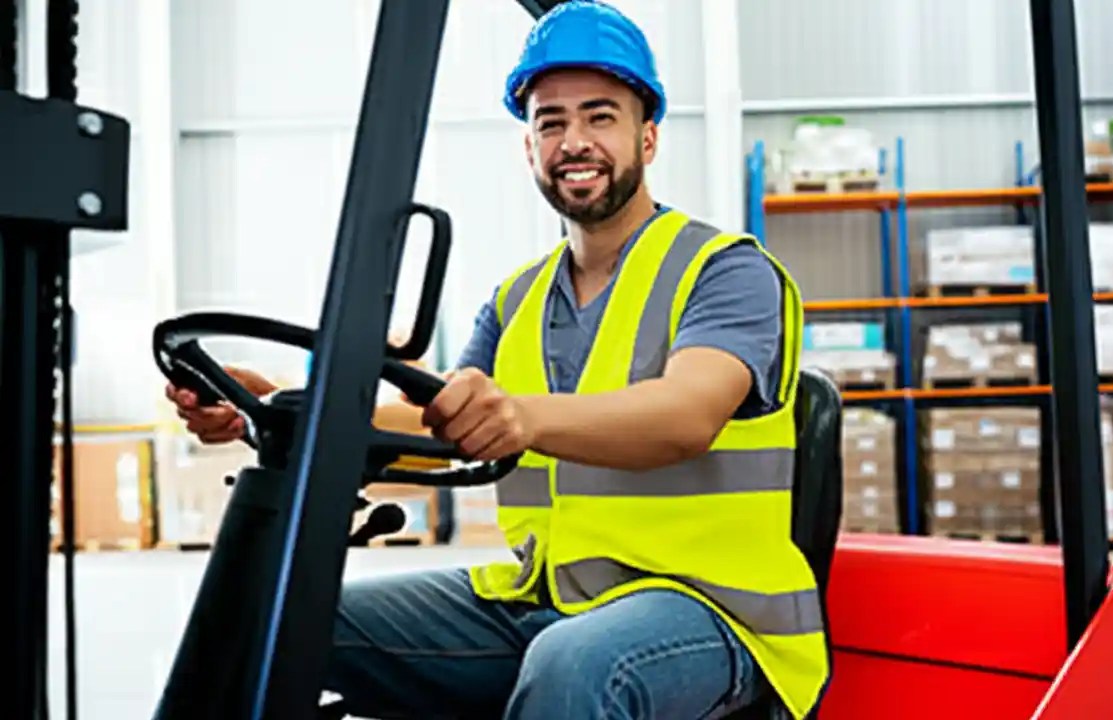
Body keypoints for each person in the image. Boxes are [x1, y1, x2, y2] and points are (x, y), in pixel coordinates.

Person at [164, 2, 827, 718]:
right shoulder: (517, 299)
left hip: (711, 610)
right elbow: (439, 425)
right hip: (546, 598)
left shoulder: (724, 269)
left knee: (575, 663)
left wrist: (522, 417)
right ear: (529, 147)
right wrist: (278, 410)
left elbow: (685, 417)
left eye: (601, 117)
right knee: (278, 615)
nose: (575, 141)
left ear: (649, 136)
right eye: (551, 123)